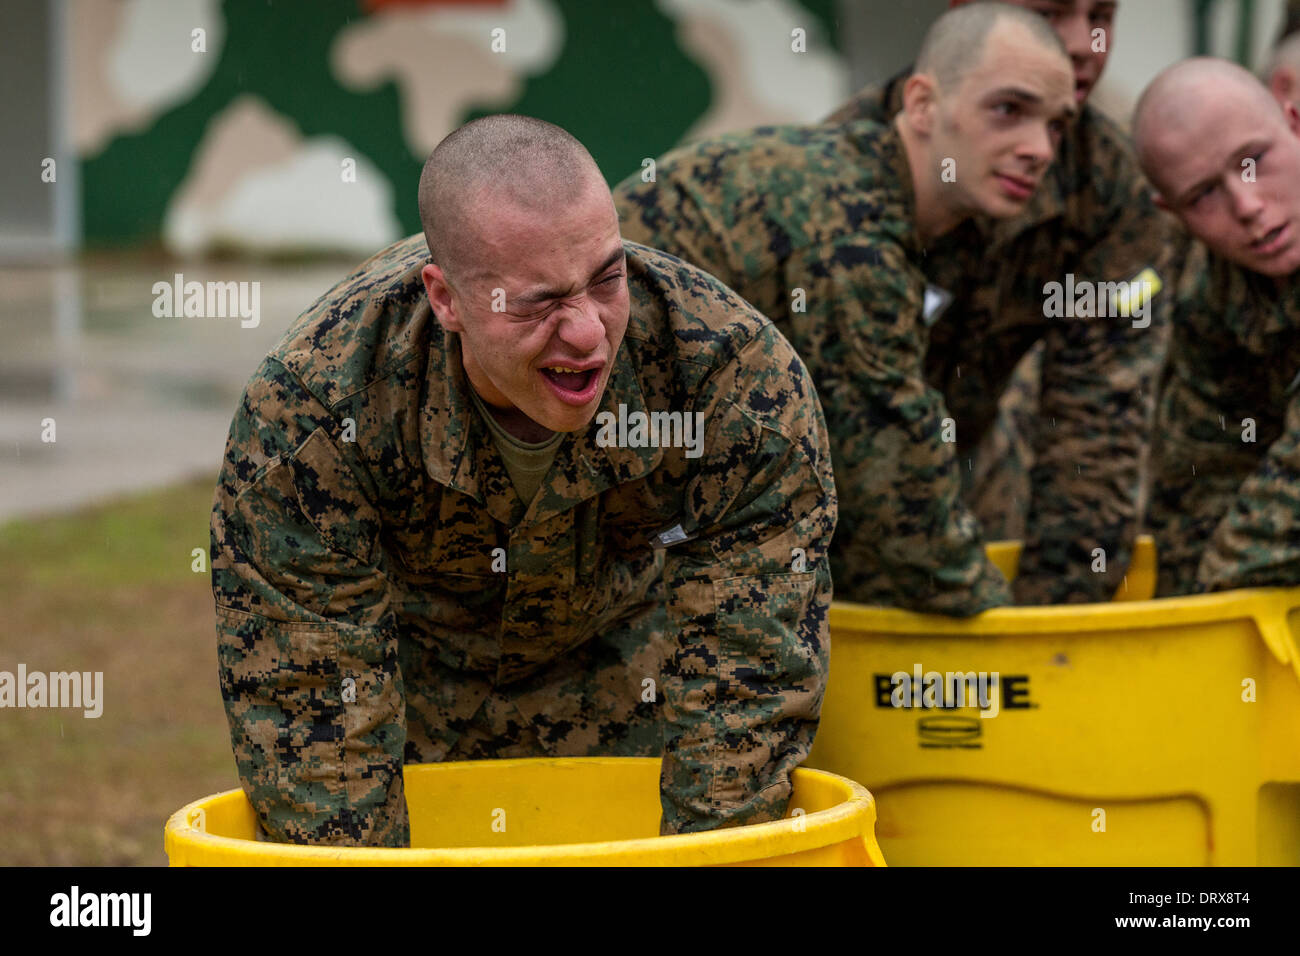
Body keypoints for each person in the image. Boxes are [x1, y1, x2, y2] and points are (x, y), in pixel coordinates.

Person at [210, 114, 837, 846]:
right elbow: (311, 710)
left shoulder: (732, 383)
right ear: (445, 299)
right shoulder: (318, 409)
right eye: (539, 303)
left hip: (624, 700)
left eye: (607, 279)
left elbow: (746, 684)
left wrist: (703, 859)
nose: (588, 333)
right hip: (409, 713)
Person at [616, 2, 1075, 615]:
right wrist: (1013, 631)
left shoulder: (891, 197)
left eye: (1058, 126)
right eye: (1008, 110)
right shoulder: (849, 228)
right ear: (921, 104)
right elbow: (893, 489)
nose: (1039, 148)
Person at [819, 0, 1175, 604]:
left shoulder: (1111, 191)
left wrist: (1051, 638)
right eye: (1050, 13)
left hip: (968, 475)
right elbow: (855, 433)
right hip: (813, 490)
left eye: (1103, 15)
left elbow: (1098, 431)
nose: (1085, 43)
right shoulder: (843, 171)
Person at [1133, 58, 1300, 594]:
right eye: (1204, 195)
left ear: (1295, 124)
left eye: (1253, 161)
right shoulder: (1209, 285)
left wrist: (1213, 602)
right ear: (1171, 211)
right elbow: (1202, 472)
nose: (1248, 206)